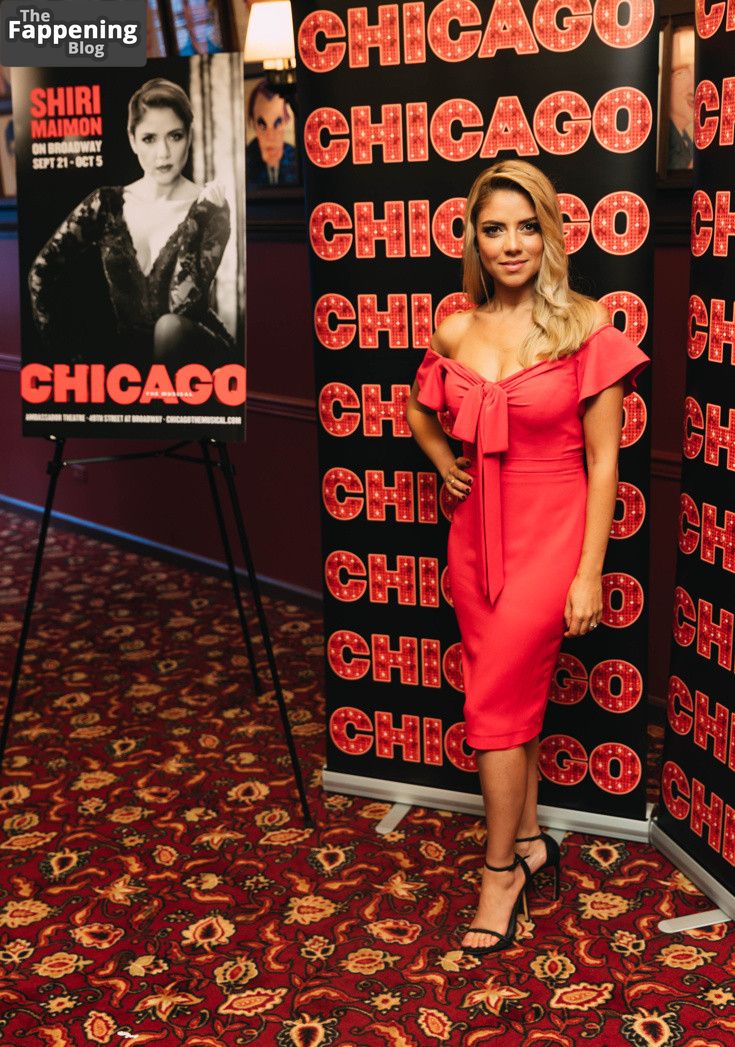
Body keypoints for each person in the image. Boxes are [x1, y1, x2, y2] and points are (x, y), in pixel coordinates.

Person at [406, 159, 649, 957]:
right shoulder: (456, 328)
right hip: (474, 533)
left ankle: (500, 870)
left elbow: (604, 462)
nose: (510, 243)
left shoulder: (586, 328)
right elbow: (419, 406)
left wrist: (588, 571)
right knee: (507, 700)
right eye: (492, 229)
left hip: (550, 531)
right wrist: (442, 461)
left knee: (492, 711)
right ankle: (532, 837)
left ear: (548, 234)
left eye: (524, 226)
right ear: (474, 241)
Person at [28, 77, 235, 369]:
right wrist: (68, 359)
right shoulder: (107, 204)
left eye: (175, 136)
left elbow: (181, 306)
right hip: (130, 362)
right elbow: (40, 272)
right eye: (149, 138)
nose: (163, 153)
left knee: (169, 328)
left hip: (193, 355)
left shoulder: (211, 207)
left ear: (189, 136)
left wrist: (198, 217)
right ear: (132, 140)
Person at [246, 80, 298, 188]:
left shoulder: (295, 159)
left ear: (286, 121)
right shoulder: (245, 162)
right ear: (253, 124)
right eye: (262, 125)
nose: (270, 137)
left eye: (277, 123)